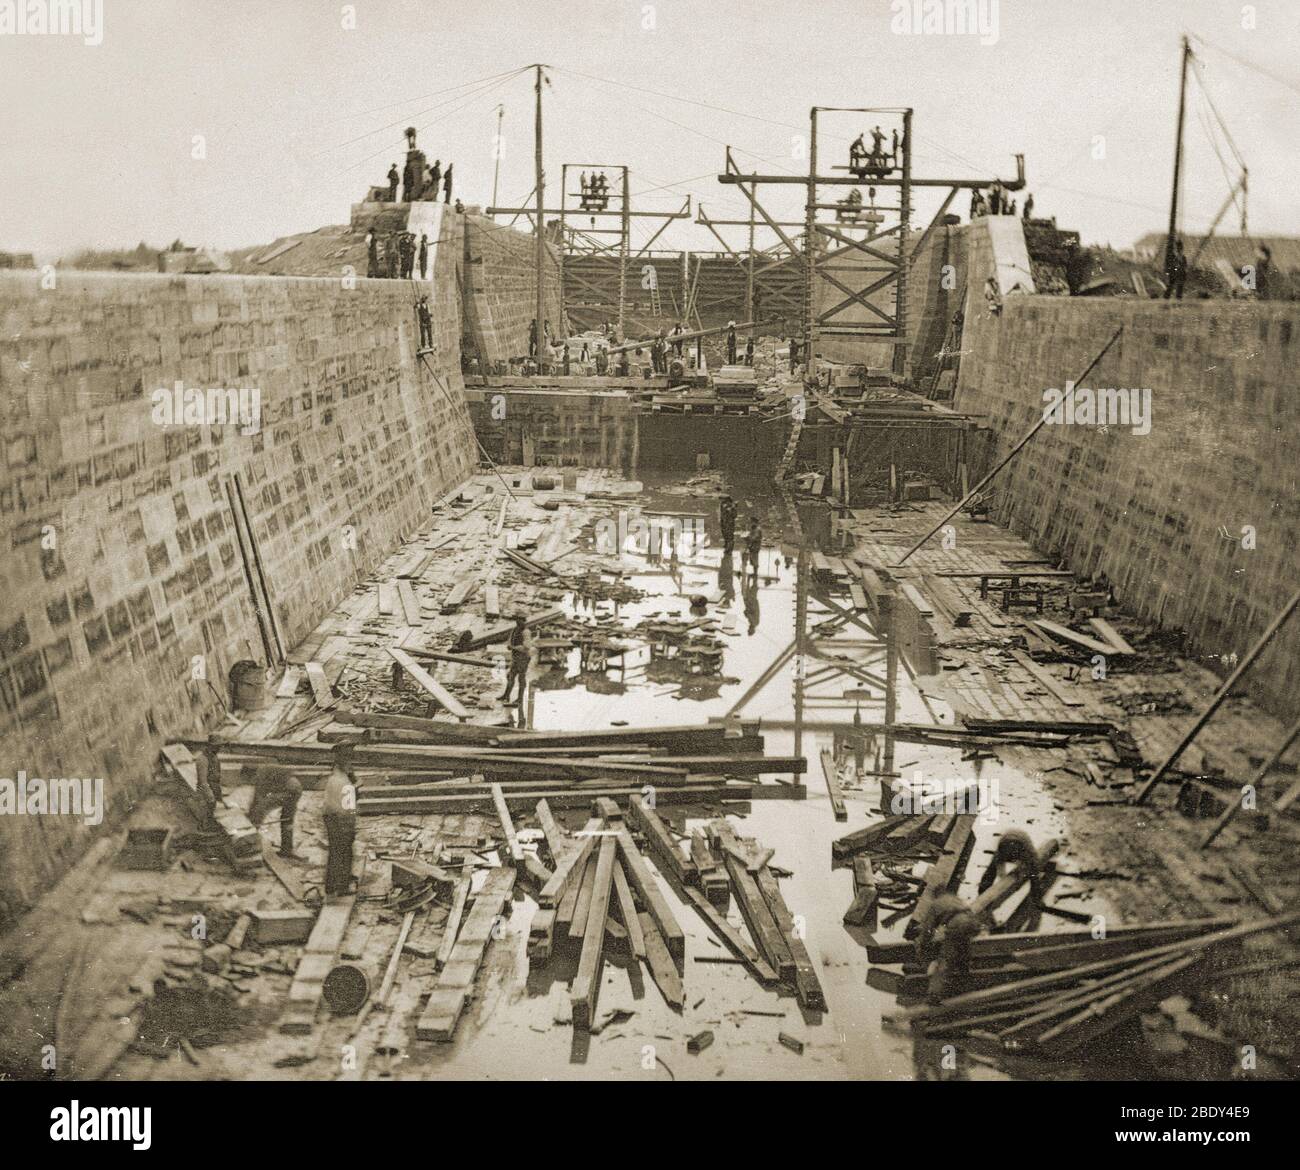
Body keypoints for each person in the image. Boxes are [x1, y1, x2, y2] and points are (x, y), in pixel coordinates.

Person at [322, 744, 359, 897]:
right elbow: (347, 807)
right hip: (339, 816)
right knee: (344, 851)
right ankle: (342, 886)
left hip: (332, 814)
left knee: (335, 851)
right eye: (348, 755)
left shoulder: (339, 771)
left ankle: (331, 885)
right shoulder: (340, 779)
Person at [244, 764, 302, 859]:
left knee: (261, 807)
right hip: (297, 787)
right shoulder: (264, 770)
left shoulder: (260, 776)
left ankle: (250, 842)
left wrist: (252, 821)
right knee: (287, 820)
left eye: (248, 780)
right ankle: (286, 849)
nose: (251, 783)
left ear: (250, 774)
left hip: (289, 790)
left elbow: (258, 800)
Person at [499, 614, 531, 706]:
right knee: (510, 676)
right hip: (515, 657)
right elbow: (510, 640)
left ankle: (520, 699)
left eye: (519, 620)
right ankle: (506, 695)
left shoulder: (526, 632)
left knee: (521, 678)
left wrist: (513, 647)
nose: (518, 622)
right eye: (517, 620)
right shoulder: (514, 630)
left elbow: (527, 647)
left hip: (523, 658)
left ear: (523, 621)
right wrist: (509, 645)